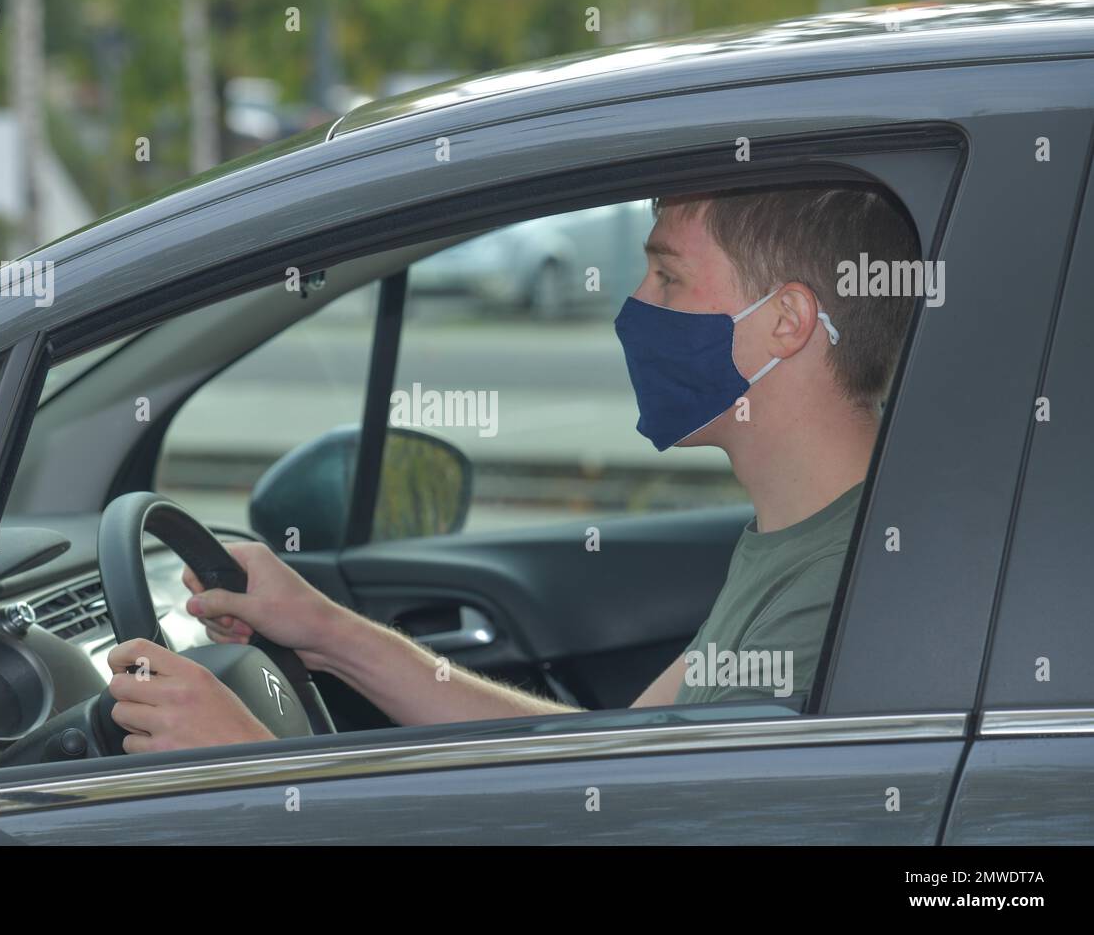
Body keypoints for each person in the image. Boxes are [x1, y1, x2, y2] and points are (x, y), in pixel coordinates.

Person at [105, 184, 920, 753]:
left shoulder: (832, 600)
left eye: (668, 275)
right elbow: (606, 767)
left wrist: (249, 766)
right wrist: (326, 631)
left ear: (785, 322)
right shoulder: (799, 539)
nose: (634, 308)